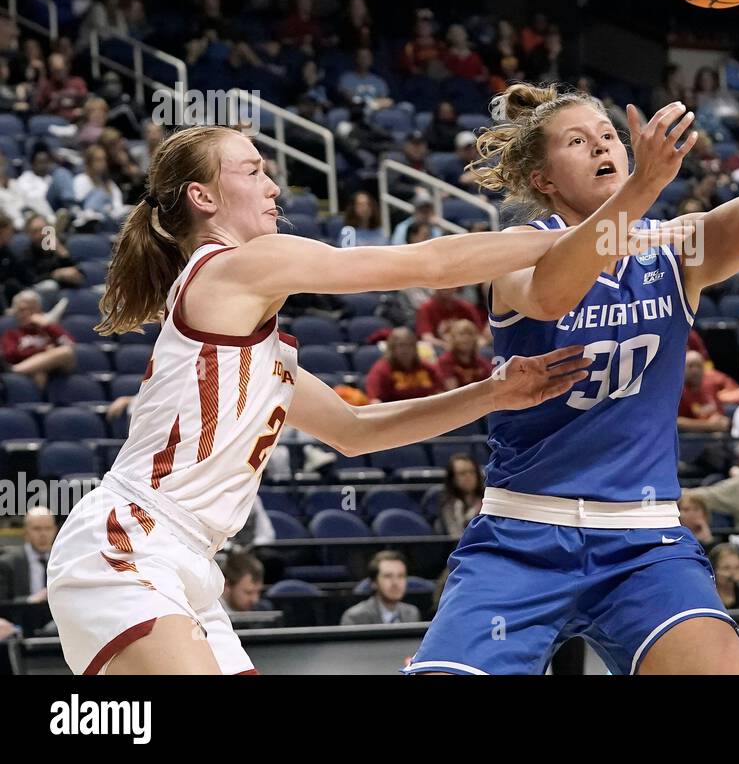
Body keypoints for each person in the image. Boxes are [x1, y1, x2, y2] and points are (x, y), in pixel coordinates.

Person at [43, 124, 641, 675]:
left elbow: (356, 430)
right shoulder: (235, 266)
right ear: (204, 198)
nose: (274, 186)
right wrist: (578, 236)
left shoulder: (257, 343)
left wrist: (494, 392)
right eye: (252, 172)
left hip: (189, 562)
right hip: (130, 540)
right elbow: (426, 263)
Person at [406, 0, 739, 676]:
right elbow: (551, 295)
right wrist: (641, 187)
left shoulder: (673, 248)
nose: (604, 145)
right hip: (523, 533)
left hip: (643, 542)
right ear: (545, 180)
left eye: (609, 134)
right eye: (580, 142)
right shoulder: (521, 251)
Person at [3, 290, 76, 391]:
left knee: (66, 352)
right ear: (16, 313)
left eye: (32, 309)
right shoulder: (11, 334)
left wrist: (48, 326)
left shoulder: (49, 330)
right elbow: (10, 355)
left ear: (39, 310)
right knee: (40, 373)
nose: (27, 313)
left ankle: (15, 371)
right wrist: (42, 350)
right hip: (30, 374)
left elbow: (69, 344)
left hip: (56, 371)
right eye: (22, 310)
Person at [366, 327, 445, 402]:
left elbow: (442, 392)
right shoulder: (381, 370)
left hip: (424, 411)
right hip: (395, 413)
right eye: (401, 345)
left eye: (409, 345)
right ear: (392, 348)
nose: (405, 350)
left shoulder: (425, 367)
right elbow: (374, 401)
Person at [341, 552, 421, 625]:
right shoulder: (355, 617)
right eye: (388, 576)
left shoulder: (412, 613)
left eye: (401, 576)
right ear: (374, 582)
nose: (395, 583)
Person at [0, 506, 57, 603]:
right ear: (25, 532)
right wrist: (30, 600)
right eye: (37, 529)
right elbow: (3, 603)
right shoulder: (6, 564)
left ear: (55, 530)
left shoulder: (61, 561)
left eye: (48, 528)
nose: (43, 534)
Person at [437, 318, 494, 389]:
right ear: (453, 338)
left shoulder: (481, 362)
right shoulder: (445, 361)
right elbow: (452, 391)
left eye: (470, 334)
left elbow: (491, 386)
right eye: (461, 334)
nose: (466, 338)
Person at [440, 453, 485, 539]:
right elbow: (453, 535)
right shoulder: (447, 505)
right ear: (452, 479)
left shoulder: (486, 502)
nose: (469, 477)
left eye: (472, 472)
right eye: (462, 473)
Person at [709, 543, 739, 610]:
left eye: (738, 568)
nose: (732, 573)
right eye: (726, 568)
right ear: (713, 570)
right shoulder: (707, 598)